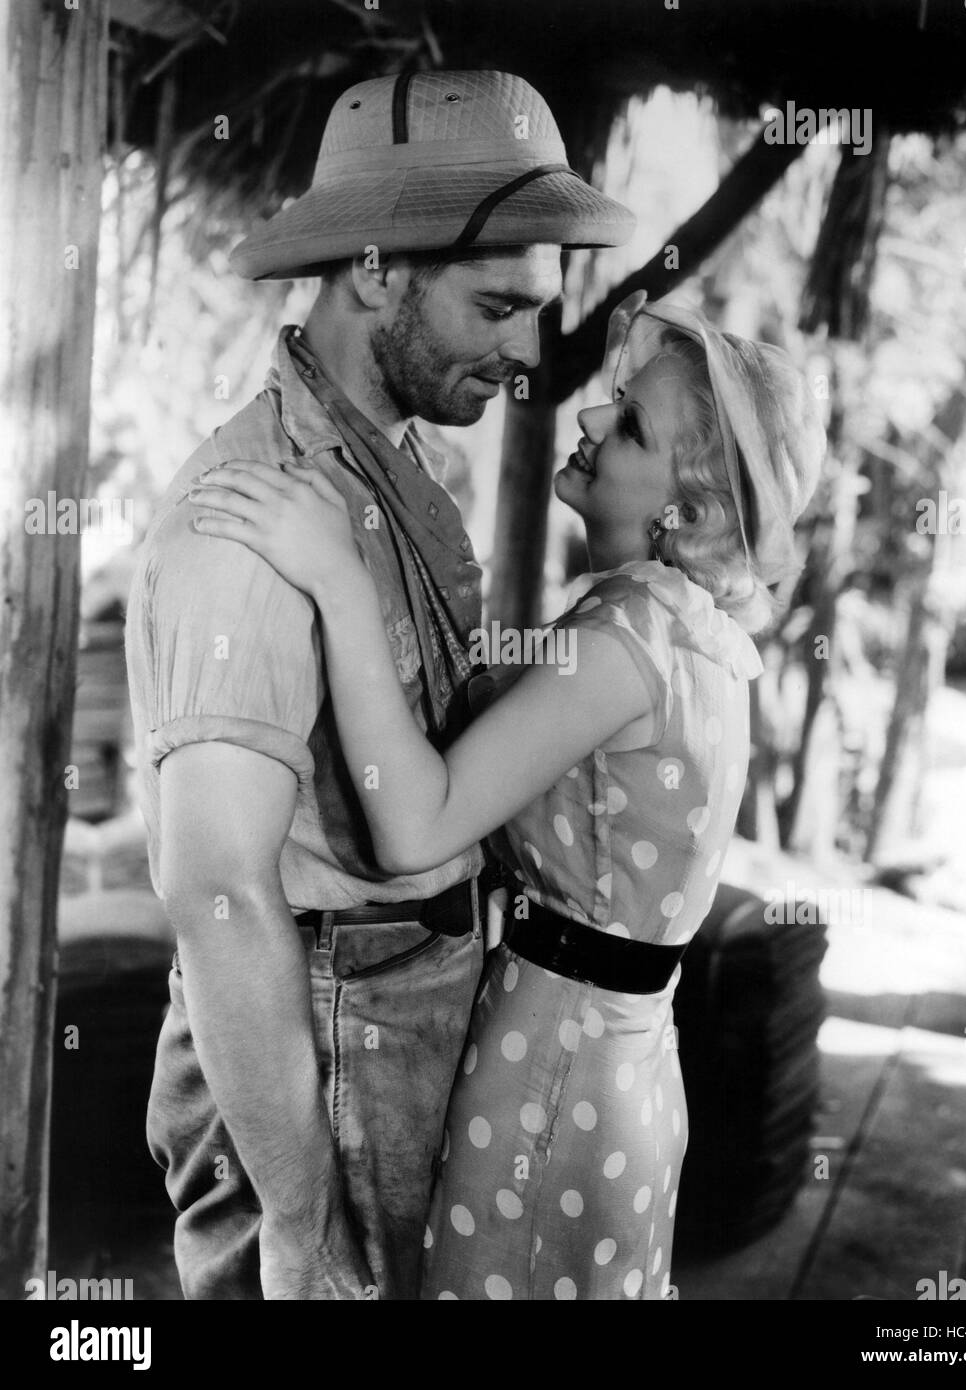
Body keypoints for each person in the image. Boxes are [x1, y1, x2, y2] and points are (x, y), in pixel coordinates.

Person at [189, 290, 826, 1300]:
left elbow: (415, 825)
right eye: (610, 400)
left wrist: (339, 581)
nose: (584, 418)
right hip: (616, 1067)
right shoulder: (680, 628)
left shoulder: (621, 642)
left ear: (687, 512)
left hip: (553, 1075)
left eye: (626, 426)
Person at [124, 68, 634, 1302]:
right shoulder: (249, 522)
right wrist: (297, 1218)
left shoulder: (382, 464)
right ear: (373, 270)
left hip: (385, 1026)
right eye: (496, 308)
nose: (526, 355)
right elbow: (220, 892)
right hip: (314, 1055)